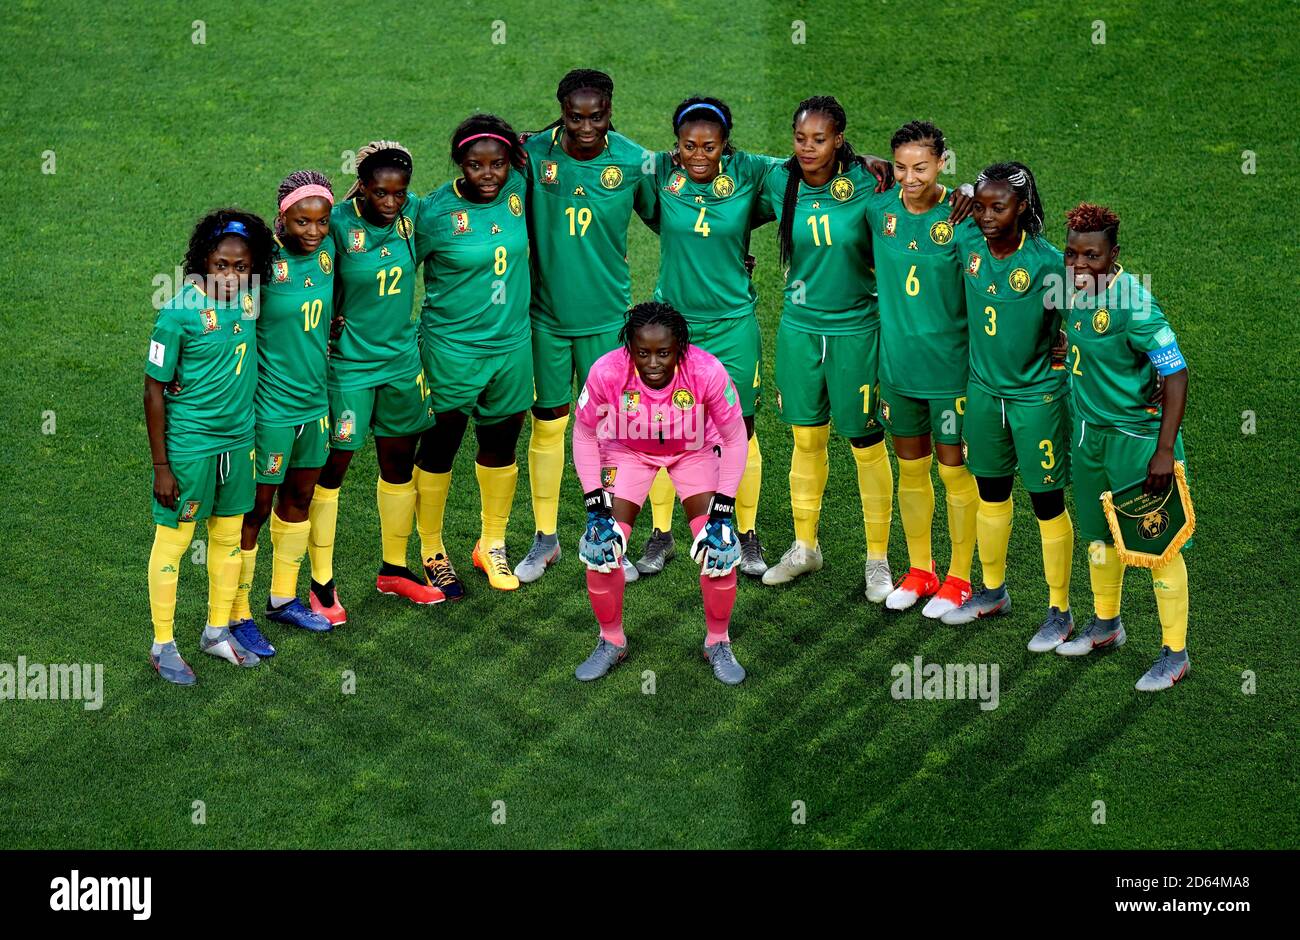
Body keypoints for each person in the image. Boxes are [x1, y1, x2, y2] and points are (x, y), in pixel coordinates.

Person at [514, 69, 657, 585]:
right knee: (549, 426)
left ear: (610, 110)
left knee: (611, 432)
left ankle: (609, 538)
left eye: (596, 116)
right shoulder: (530, 154)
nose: (586, 126)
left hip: (607, 321)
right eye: (576, 116)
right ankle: (546, 538)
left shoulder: (634, 160)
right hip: (546, 320)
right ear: (562, 111)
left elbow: (679, 216)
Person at [634, 95, 781, 579]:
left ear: (726, 145)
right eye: (689, 146)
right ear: (675, 146)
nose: (700, 155)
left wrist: (863, 160)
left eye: (710, 146)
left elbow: (808, 162)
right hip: (672, 325)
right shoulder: (656, 172)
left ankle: (745, 532)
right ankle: (662, 534)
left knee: (740, 429)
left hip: (732, 323)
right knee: (664, 428)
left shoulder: (751, 171)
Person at [758, 96, 896, 597]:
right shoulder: (778, 179)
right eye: (800, 138)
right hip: (799, 328)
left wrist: (967, 189)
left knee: (864, 441)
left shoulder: (870, 181)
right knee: (806, 439)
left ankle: (877, 559)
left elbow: (926, 189)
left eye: (820, 139)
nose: (808, 147)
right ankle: (805, 547)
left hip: (858, 330)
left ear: (840, 138)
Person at [571, 302, 750, 685]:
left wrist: (723, 509)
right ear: (629, 348)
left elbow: (736, 439)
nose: (653, 362)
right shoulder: (606, 371)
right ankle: (611, 640)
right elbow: (585, 433)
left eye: (663, 353)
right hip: (626, 450)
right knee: (602, 547)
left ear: (680, 348)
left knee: (718, 546)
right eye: (643, 352)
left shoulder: (706, 371)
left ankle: (718, 641)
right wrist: (594, 505)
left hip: (695, 449)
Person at [1055, 202, 1191, 690]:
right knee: (1097, 538)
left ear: (1114, 254)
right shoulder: (1068, 289)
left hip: (1137, 442)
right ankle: (1106, 625)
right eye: (1072, 254)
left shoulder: (1134, 303)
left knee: (1159, 548)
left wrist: (1164, 451)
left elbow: (1175, 372)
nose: (1079, 265)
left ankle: (1174, 653)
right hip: (1090, 436)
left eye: (1091, 256)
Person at [942, 163, 1076, 656]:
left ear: (1022, 207)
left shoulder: (1047, 263)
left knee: (1047, 503)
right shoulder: (967, 243)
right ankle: (993, 592)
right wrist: (956, 190)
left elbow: (1092, 313)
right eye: (980, 206)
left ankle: (1059, 611)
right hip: (983, 394)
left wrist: (1074, 345)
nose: (987, 216)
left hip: (1036, 398)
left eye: (999, 207)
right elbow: (913, 187)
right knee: (990, 493)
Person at [307, 140, 443, 624]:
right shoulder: (337, 224)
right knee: (333, 467)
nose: (390, 203)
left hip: (401, 362)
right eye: (380, 193)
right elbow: (300, 262)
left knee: (398, 464)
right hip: (348, 367)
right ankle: (321, 582)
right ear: (361, 187)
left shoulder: (411, 219)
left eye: (399, 193)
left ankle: (394, 571)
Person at [145, 209, 274, 684]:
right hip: (191, 448)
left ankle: (216, 632)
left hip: (239, 444)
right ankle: (163, 645)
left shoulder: (250, 300)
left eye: (241, 267)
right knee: (175, 543)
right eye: (222, 264)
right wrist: (162, 464)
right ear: (202, 260)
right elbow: (154, 388)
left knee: (227, 537)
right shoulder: (177, 312)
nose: (231, 275)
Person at [412, 115, 532, 596]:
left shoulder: (520, 189)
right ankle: (432, 549)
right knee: (440, 448)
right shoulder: (435, 212)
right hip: (451, 351)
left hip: (511, 347)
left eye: (498, 164)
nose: (489, 174)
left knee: (501, 447)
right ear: (459, 163)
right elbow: (390, 257)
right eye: (476, 165)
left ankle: (492, 544)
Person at [864, 121, 981, 615]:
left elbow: (1017, 227)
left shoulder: (965, 215)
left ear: (942, 163)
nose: (910, 178)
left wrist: (972, 190)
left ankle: (960, 578)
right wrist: (866, 160)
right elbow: (829, 164)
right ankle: (919, 571)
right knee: (911, 470)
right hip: (897, 371)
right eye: (901, 167)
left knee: (955, 474)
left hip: (950, 374)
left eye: (922, 167)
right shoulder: (878, 208)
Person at [228, 173, 338, 656]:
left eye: (321, 220)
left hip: (315, 403)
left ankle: (283, 599)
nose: (313, 231)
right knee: (253, 511)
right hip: (271, 409)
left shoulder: (330, 251)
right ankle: (236, 612)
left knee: (300, 500)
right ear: (282, 216)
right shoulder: (261, 264)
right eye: (301, 220)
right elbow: (226, 316)